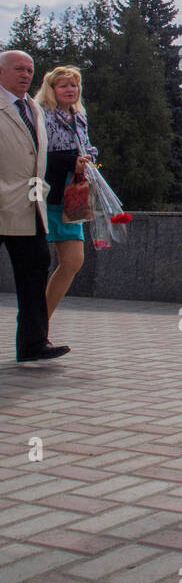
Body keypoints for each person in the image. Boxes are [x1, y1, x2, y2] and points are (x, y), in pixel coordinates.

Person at [0, 50, 69, 362]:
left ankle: (33, 344)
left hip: (29, 208)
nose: (25, 75)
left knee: (34, 276)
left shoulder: (33, 109)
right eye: (18, 69)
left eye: (29, 70)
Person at [34, 66, 98, 318]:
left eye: (74, 86)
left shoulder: (79, 116)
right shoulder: (42, 115)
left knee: (73, 261)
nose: (71, 90)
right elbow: (37, 154)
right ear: (51, 89)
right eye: (64, 86)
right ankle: (35, 325)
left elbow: (86, 145)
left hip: (76, 192)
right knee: (35, 262)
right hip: (49, 192)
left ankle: (42, 321)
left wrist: (89, 157)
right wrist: (70, 161)